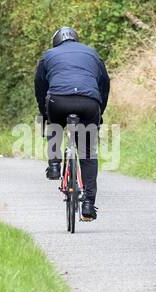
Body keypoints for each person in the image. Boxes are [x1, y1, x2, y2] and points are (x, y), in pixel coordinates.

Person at [34, 26, 109, 221]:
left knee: (54, 125)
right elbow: (104, 84)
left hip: (58, 101)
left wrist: (45, 114)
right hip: (89, 103)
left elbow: (40, 86)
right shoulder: (92, 53)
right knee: (87, 153)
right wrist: (99, 111)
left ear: (56, 42)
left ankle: (54, 165)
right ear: (76, 40)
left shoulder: (48, 55)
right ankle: (88, 205)